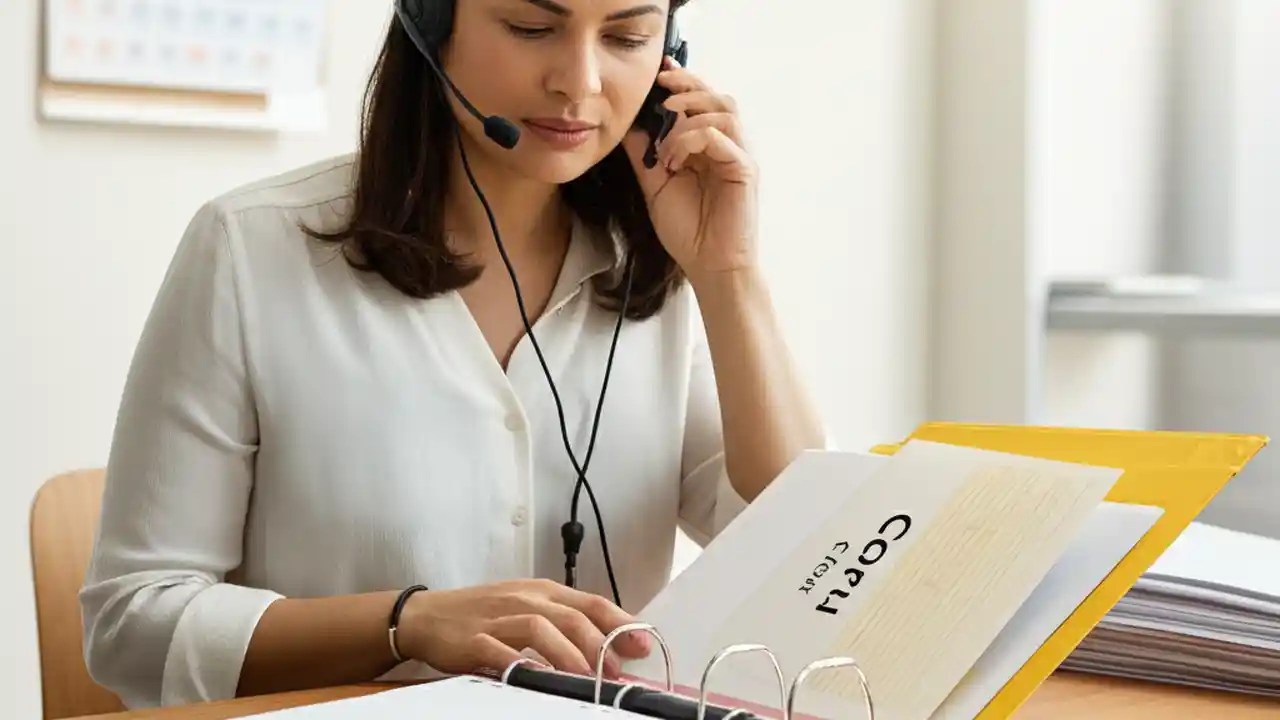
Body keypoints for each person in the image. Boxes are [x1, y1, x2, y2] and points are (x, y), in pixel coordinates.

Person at [79, 0, 826, 709]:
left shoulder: (656, 272)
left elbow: (803, 546)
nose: (581, 83)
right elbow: (132, 623)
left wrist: (731, 276)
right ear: (431, 18)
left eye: (626, 39)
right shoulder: (250, 250)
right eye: (533, 26)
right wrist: (407, 623)